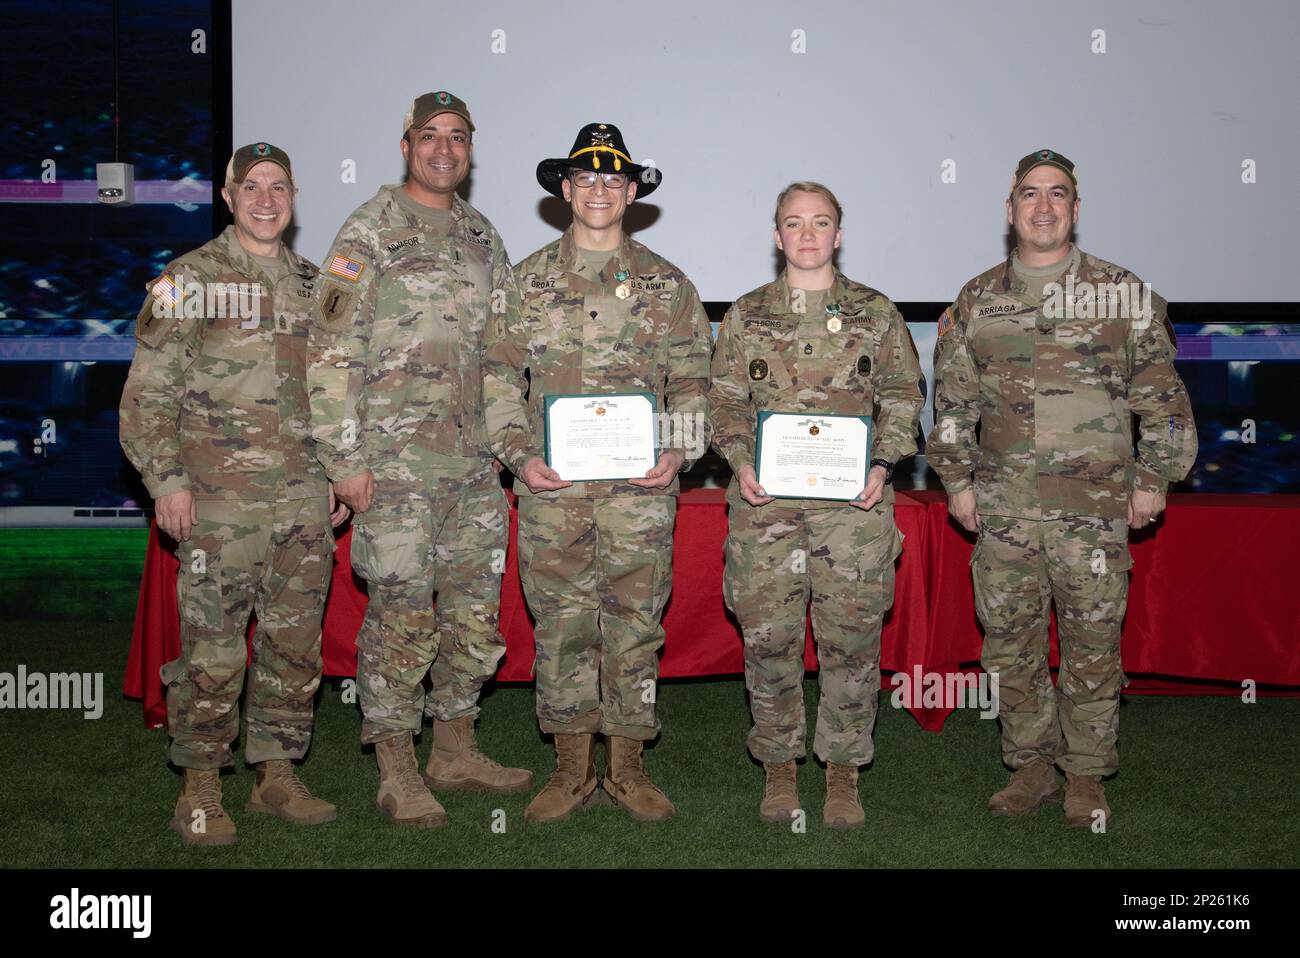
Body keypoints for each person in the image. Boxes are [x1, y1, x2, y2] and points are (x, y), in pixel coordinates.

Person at [926, 149, 1197, 827]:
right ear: (1009, 209)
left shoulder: (1121, 294)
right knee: (1009, 644)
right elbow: (954, 404)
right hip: (1005, 509)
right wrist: (956, 481)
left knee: (1092, 643)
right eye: (1028, 194)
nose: (1042, 207)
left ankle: (1085, 773)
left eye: (1057, 195)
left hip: (1094, 509)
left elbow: (1162, 399)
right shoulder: (977, 299)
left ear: (1075, 209)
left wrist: (1154, 477)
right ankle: (1032, 766)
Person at [306, 92, 530, 829]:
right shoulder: (368, 231)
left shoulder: (481, 235)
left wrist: (507, 444)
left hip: (470, 466)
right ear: (405, 145)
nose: (444, 149)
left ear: (471, 149)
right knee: (401, 615)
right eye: (429, 136)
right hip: (392, 465)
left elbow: (501, 354)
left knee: (472, 615)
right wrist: (343, 458)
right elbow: (331, 351)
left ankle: (455, 747)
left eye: (457, 137)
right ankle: (397, 762)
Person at [483, 123, 712, 823]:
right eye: (586, 178)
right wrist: (519, 453)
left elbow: (694, 380)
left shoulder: (668, 285)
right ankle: (571, 767)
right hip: (553, 488)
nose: (600, 191)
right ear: (564, 189)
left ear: (634, 191)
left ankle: (629, 766)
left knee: (636, 626)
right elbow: (495, 375)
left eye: (614, 179)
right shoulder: (523, 282)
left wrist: (678, 448)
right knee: (561, 625)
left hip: (638, 493)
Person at [121, 142, 346, 846]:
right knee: (213, 654)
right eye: (251, 186)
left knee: (293, 647)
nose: (266, 199)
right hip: (217, 506)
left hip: (304, 504)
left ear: (294, 195)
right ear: (228, 196)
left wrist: (340, 470)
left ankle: (276, 773)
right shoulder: (188, 281)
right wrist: (167, 481)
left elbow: (339, 392)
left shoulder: (318, 288)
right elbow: (146, 395)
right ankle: (201, 785)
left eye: (279, 186)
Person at [708, 182, 924, 828]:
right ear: (777, 237)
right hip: (765, 507)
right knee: (769, 639)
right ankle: (779, 765)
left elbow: (904, 397)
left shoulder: (875, 314)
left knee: (852, 642)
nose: (807, 235)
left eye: (820, 222)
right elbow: (722, 404)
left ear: (839, 234)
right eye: (794, 224)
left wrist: (884, 463)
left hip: (852, 512)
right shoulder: (746, 316)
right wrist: (741, 462)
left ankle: (842, 772)